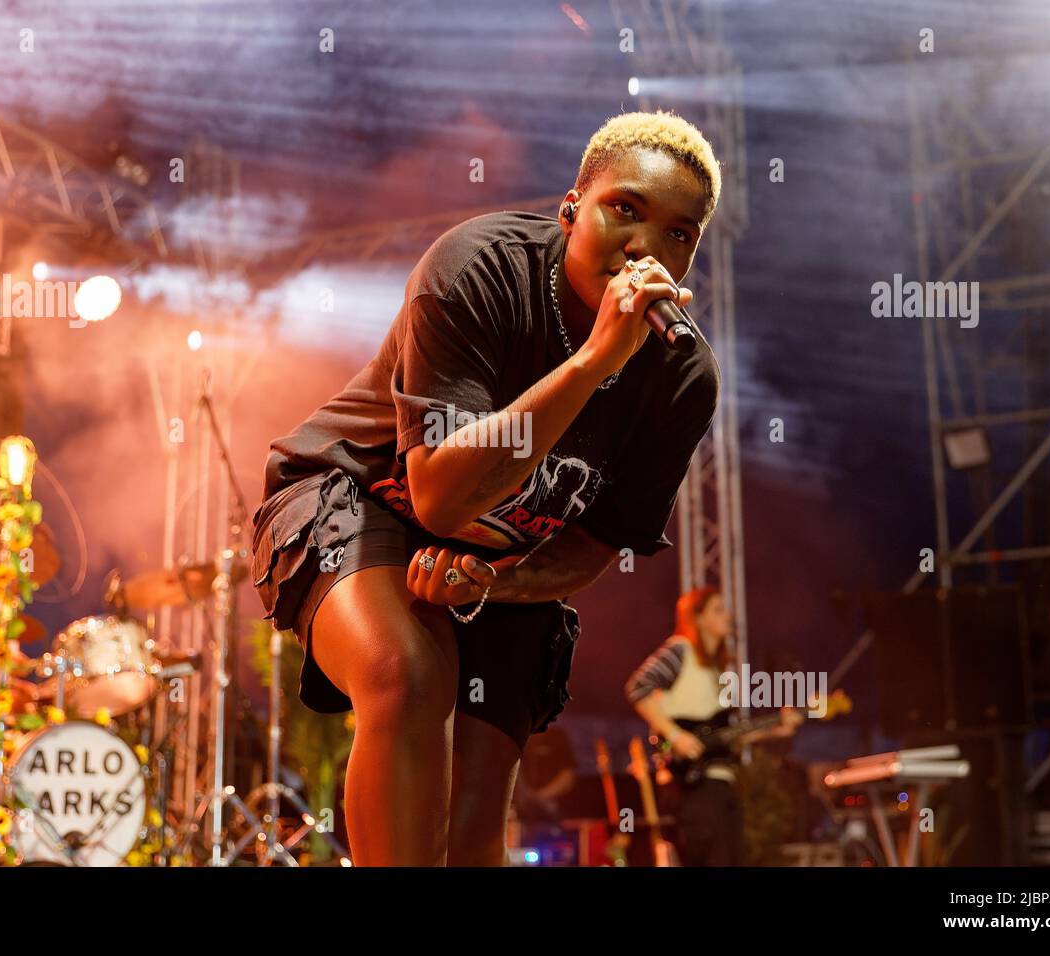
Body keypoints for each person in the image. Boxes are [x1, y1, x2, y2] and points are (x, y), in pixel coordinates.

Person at [252, 110, 722, 866]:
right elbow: (437, 496)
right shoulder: (478, 267)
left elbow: (594, 548)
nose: (645, 245)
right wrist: (593, 363)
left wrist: (487, 587)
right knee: (406, 674)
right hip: (358, 498)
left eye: (678, 232)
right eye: (624, 210)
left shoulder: (681, 376)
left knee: (472, 832)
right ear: (572, 209)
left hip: (494, 565)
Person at [625, 587, 801, 866]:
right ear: (697, 617)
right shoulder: (679, 649)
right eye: (718, 609)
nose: (727, 616)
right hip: (693, 784)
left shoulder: (719, 672)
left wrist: (775, 728)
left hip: (722, 784)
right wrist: (675, 735)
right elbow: (637, 687)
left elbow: (729, 736)